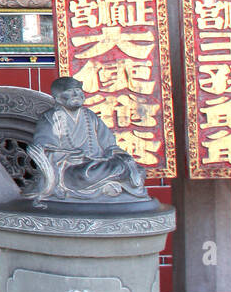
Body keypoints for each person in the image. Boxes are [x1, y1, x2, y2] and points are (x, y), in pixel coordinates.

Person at [24, 76, 150, 206]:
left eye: (78, 90)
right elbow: (44, 150)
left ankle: (110, 182)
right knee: (86, 175)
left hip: (99, 163)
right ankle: (111, 181)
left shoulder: (90, 116)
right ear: (57, 98)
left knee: (138, 170)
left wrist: (119, 155)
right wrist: (66, 156)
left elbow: (109, 144)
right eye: (70, 91)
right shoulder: (52, 118)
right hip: (72, 170)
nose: (76, 94)